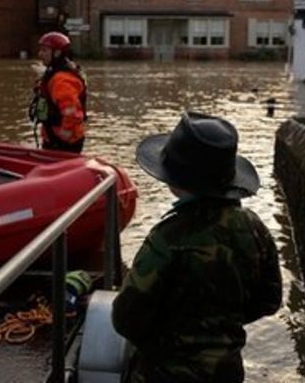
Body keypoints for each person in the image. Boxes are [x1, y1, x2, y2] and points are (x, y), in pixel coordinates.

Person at [112, 111, 282, 382]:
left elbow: (125, 318)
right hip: (227, 373)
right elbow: (269, 301)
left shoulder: (167, 238)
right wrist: (220, 324)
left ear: (176, 181)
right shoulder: (255, 228)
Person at [30, 31, 87, 152]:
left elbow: (72, 112)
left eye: (44, 50)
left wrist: (64, 134)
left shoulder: (62, 80)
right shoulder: (54, 73)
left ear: (57, 53)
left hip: (63, 142)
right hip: (53, 136)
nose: (40, 54)